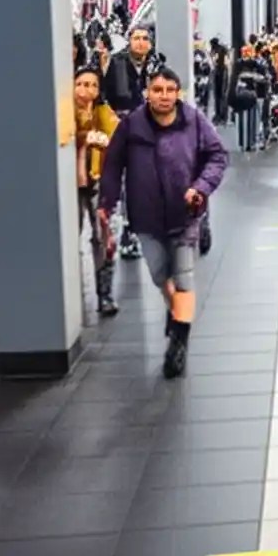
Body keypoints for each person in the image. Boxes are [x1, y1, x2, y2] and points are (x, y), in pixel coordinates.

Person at [98, 66, 228, 378]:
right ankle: (176, 312)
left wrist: (200, 188)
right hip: (145, 217)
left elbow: (217, 156)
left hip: (186, 216)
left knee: (183, 277)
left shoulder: (194, 120)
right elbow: (113, 166)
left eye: (171, 90)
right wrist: (107, 202)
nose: (165, 96)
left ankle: (178, 344)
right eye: (158, 90)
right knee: (159, 275)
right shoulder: (131, 126)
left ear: (179, 93)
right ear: (146, 93)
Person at [103, 26, 158, 260]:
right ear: (129, 41)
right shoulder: (116, 64)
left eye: (145, 39)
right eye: (136, 38)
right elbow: (106, 96)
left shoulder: (156, 65)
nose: (141, 43)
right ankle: (127, 230)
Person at [73, 66, 120, 316]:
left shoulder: (102, 111)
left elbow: (117, 136)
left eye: (92, 84)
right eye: (80, 84)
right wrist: (84, 137)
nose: (86, 90)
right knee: (71, 237)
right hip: (70, 183)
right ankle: (73, 294)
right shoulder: (65, 111)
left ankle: (105, 294)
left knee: (103, 237)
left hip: (97, 180)